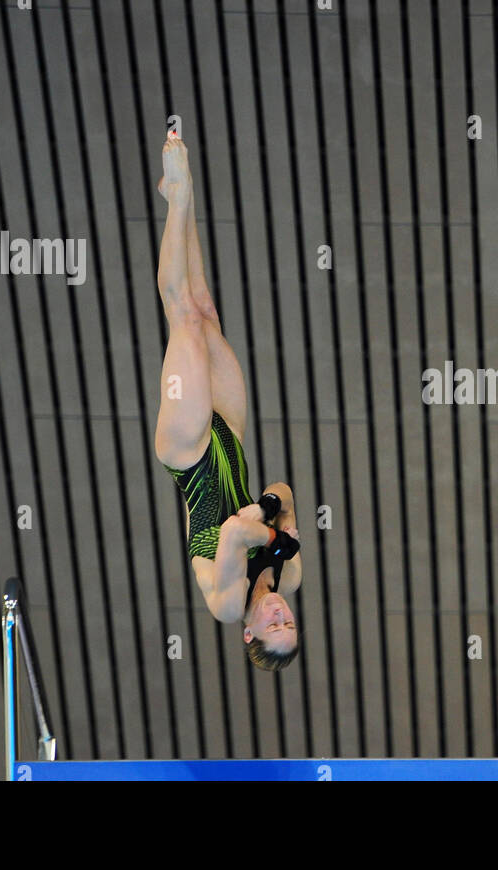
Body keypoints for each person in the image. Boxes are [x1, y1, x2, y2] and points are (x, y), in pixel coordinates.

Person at [153, 131, 302, 671]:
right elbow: (283, 487)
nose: (280, 614)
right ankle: (177, 198)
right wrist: (273, 512)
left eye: (272, 627)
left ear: (250, 635)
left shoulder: (226, 602)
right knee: (206, 311)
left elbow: (239, 530)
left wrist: (273, 526)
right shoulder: (292, 572)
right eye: (289, 621)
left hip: (189, 455)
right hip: (230, 439)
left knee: (183, 317)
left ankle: (182, 192)